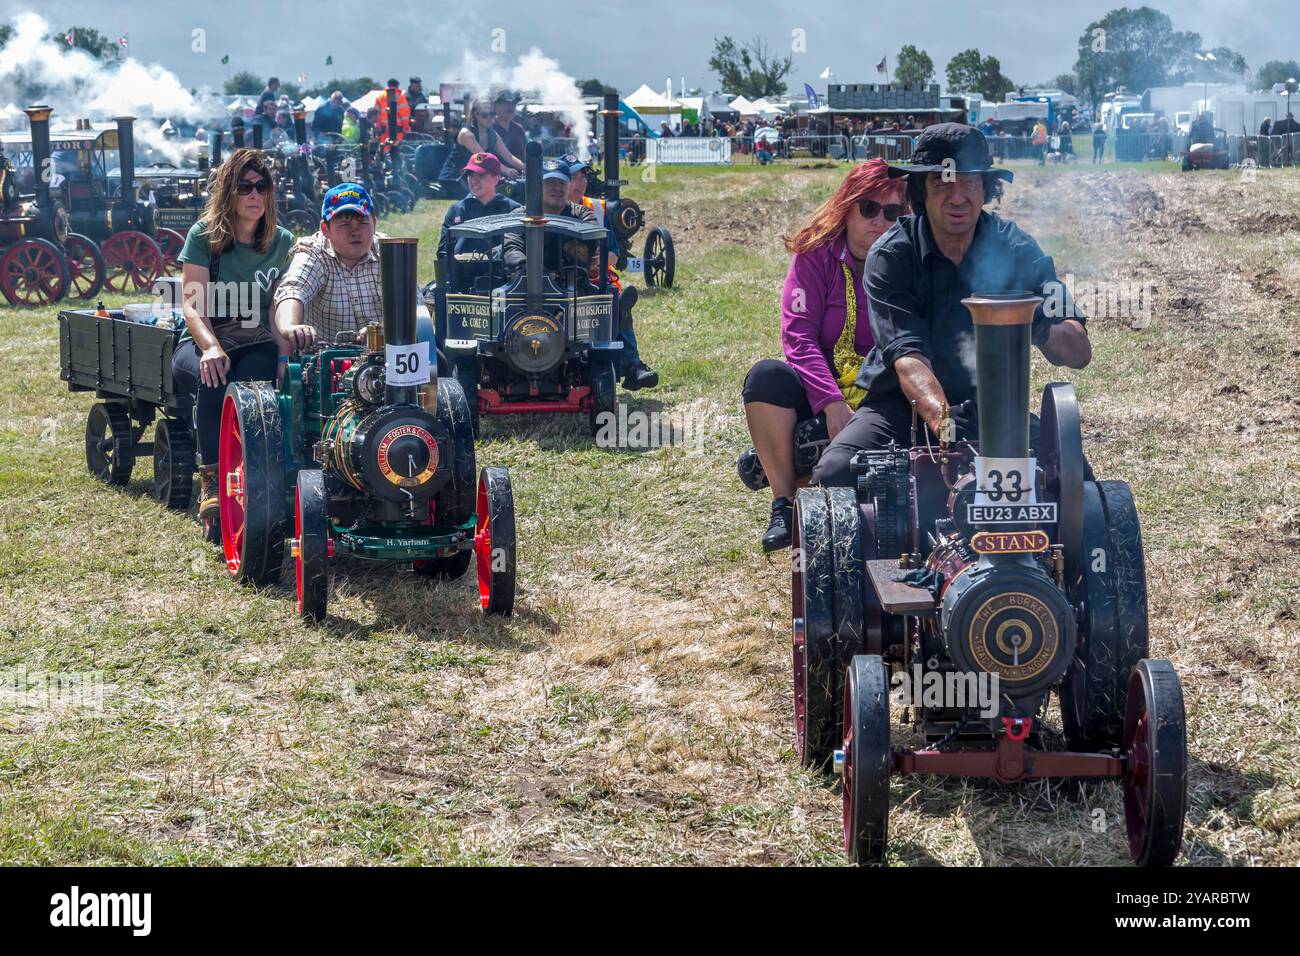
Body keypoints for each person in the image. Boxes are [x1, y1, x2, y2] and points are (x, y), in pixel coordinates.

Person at [812, 124, 1091, 490]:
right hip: (899, 407)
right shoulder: (892, 256)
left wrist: (1031, 324)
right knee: (833, 472)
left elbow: (1078, 350)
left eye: (970, 183)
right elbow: (908, 359)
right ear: (920, 193)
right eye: (943, 185)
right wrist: (946, 426)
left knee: (1075, 481)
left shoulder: (1019, 249)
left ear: (986, 189)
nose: (958, 197)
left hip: (993, 406)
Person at [739, 159, 908, 550]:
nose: (879, 221)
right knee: (766, 378)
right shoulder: (814, 254)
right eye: (868, 208)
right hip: (827, 389)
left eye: (892, 212)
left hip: (886, 391)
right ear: (847, 206)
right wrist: (831, 403)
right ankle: (784, 503)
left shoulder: (908, 259)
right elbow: (798, 336)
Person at [169, 149, 295, 530]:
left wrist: (284, 360)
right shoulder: (204, 236)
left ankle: (257, 477)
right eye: (245, 187)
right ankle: (211, 480)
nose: (255, 195)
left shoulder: (282, 241)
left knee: (256, 381)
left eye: (262, 186)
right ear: (229, 192)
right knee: (216, 380)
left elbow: (281, 307)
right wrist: (209, 348)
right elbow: (192, 307)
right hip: (203, 338)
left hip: (255, 340)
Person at [566, 156, 658, 391]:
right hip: (561, 281)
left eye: (583, 177)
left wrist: (599, 262)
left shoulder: (597, 208)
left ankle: (633, 367)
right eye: (573, 177)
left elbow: (616, 254)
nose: (580, 183)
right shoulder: (549, 208)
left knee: (618, 299)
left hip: (597, 279)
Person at [273, 182, 386, 348]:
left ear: (374, 223)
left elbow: (413, 307)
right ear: (325, 229)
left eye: (362, 223)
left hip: (386, 355)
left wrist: (383, 328)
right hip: (330, 361)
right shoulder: (313, 252)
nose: (355, 231)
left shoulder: (389, 252)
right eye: (345, 224)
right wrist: (290, 326)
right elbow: (293, 290)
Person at [501, 159, 596, 276]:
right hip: (524, 284)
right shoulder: (519, 215)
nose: (557, 188)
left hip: (573, 285)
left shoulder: (582, 213)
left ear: (569, 184)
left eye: (562, 183)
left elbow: (591, 238)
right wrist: (529, 269)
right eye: (550, 182)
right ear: (539, 186)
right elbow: (511, 247)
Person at [436, 151, 520, 263]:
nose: (473, 180)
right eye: (470, 175)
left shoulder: (512, 210)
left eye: (480, 175)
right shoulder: (456, 210)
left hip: (500, 276)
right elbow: (443, 251)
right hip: (461, 275)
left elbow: (517, 249)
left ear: (496, 179)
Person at [437, 98, 525, 199]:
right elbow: (484, 159)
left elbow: (509, 157)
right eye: (484, 115)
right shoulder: (466, 134)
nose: (489, 118)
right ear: (476, 114)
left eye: (492, 114)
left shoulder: (492, 134)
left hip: (476, 177)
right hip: (456, 177)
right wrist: (506, 170)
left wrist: (528, 168)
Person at [491, 90, 528, 161]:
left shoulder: (518, 128)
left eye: (513, 104)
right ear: (496, 106)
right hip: (494, 171)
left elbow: (525, 154)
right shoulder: (489, 127)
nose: (510, 107)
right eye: (506, 104)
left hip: (518, 170)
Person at [372, 79, 411, 145]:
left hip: (384, 131)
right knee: (394, 151)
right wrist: (406, 128)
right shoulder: (400, 97)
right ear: (397, 86)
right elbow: (404, 116)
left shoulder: (380, 97)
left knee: (384, 151)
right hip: (396, 132)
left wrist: (378, 127)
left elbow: (376, 114)